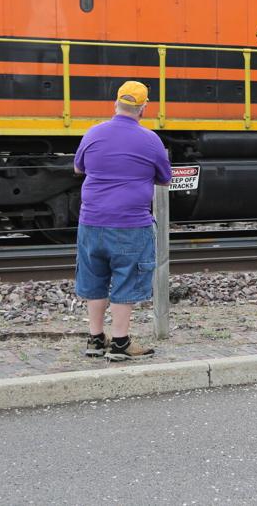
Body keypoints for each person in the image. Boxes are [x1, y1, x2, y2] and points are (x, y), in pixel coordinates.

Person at [73, 81, 172, 360]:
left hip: (91, 222)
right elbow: (165, 179)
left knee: (94, 278)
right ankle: (119, 344)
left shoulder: (93, 134)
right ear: (144, 108)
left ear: (115, 104)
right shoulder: (150, 140)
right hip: (130, 224)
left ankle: (94, 339)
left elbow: (78, 167)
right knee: (126, 280)